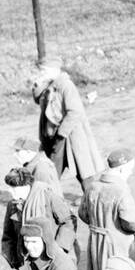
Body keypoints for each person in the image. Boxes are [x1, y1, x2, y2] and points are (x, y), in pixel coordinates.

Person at [31, 58, 104, 191]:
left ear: (55, 70)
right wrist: (38, 85)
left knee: (85, 175)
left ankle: (93, 201)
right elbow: (39, 100)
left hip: (70, 137)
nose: (42, 73)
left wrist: (60, 134)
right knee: (51, 173)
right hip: (54, 137)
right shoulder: (50, 85)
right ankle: (47, 201)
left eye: (44, 71)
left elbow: (75, 112)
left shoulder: (66, 86)